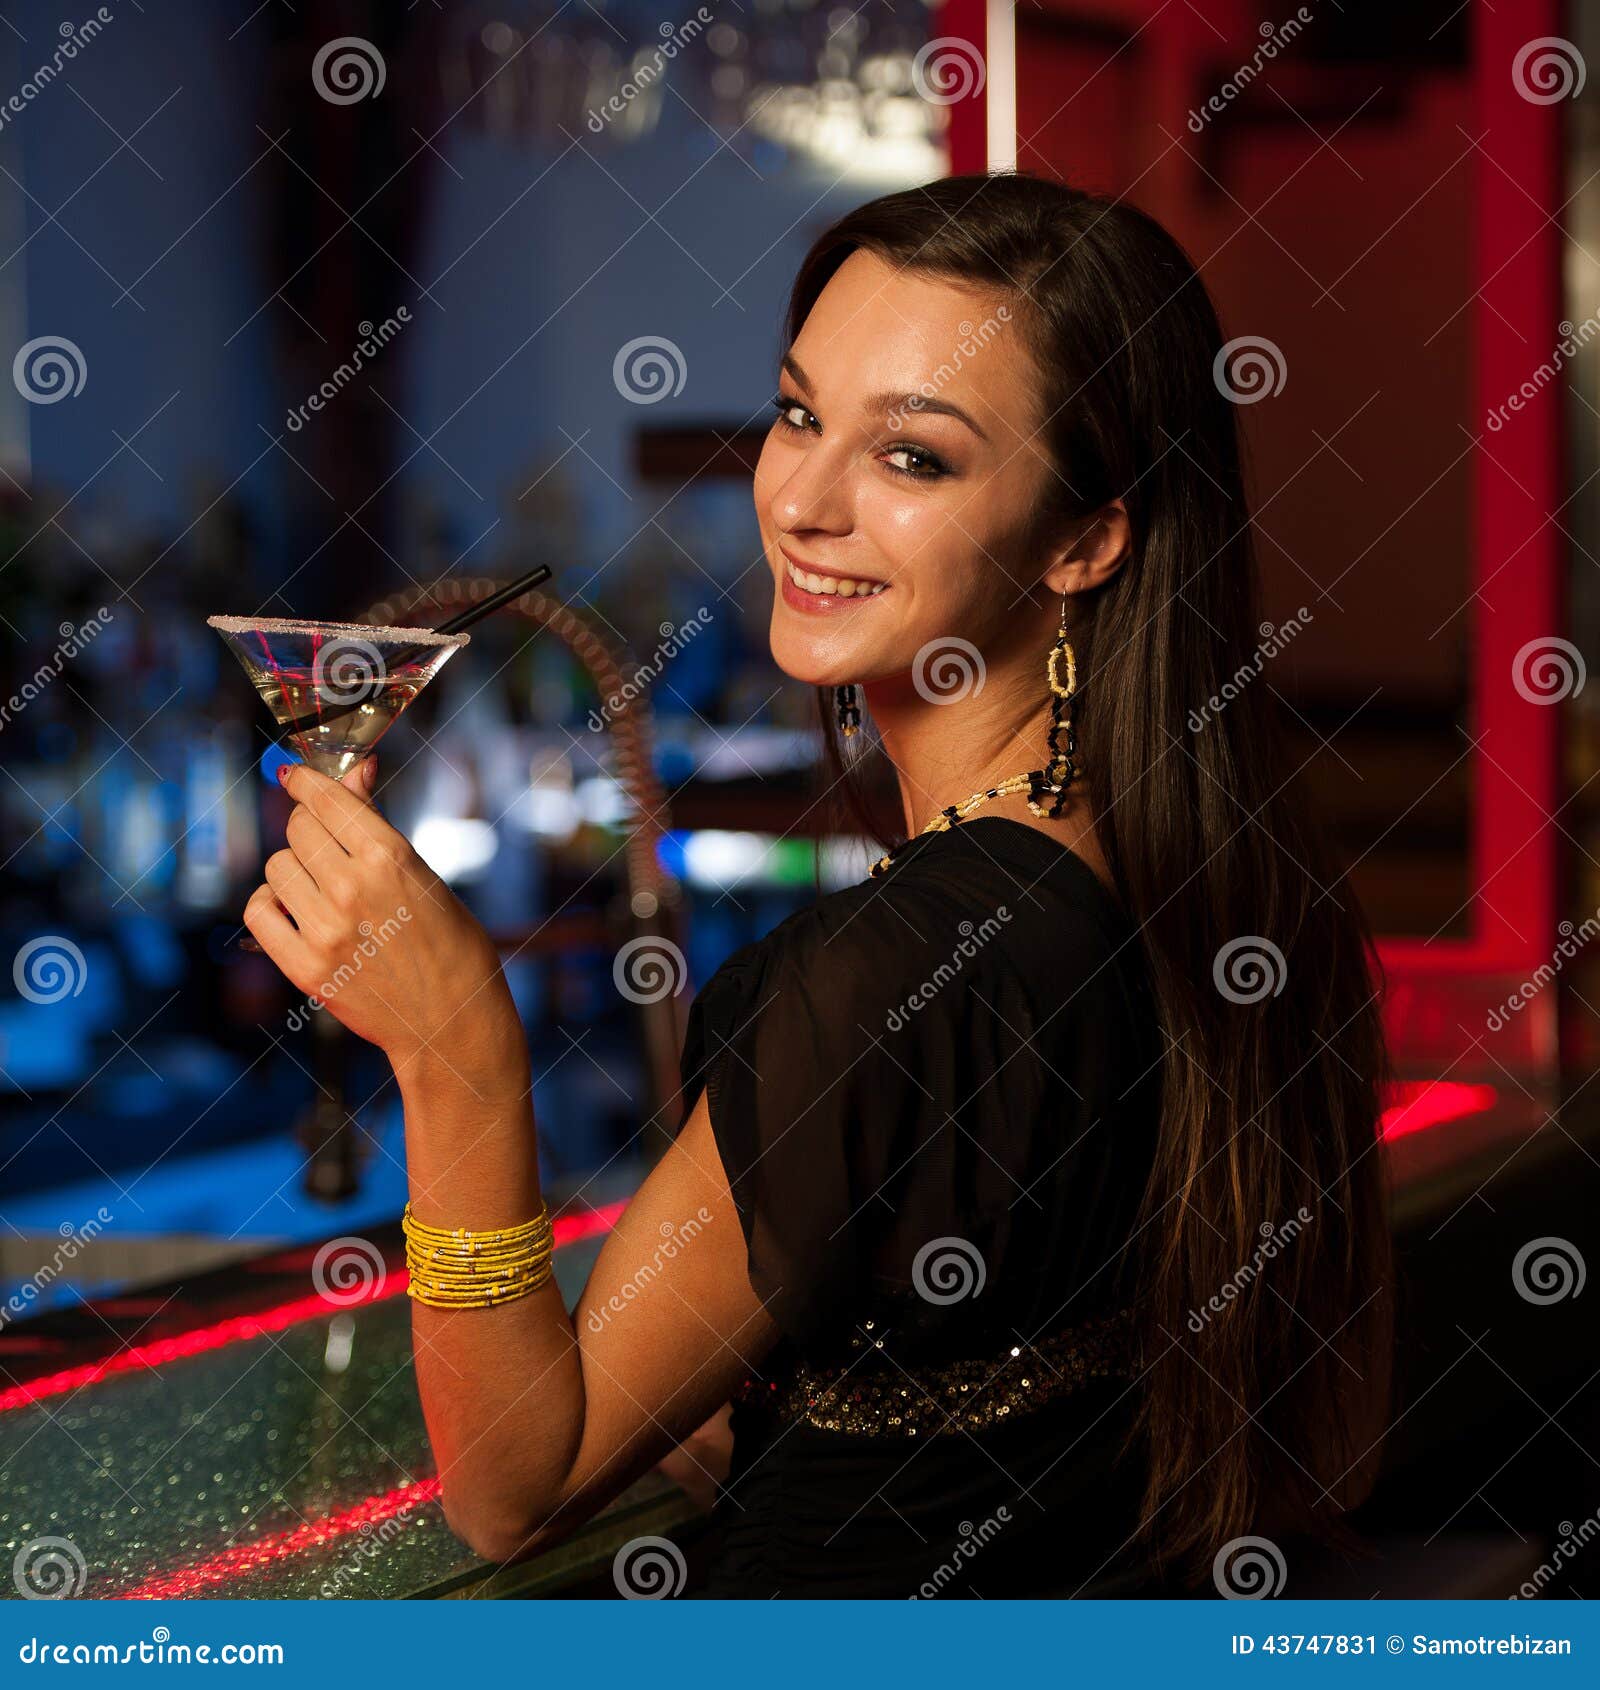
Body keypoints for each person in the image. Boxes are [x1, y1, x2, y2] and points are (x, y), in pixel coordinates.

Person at [246, 171, 1393, 1599]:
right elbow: (975, 1401)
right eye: (799, 414)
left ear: (1086, 535)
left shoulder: (889, 978)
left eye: (913, 458)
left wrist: (455, 1047)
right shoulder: (1241, 886)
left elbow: (511, 1484)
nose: (803, 500)